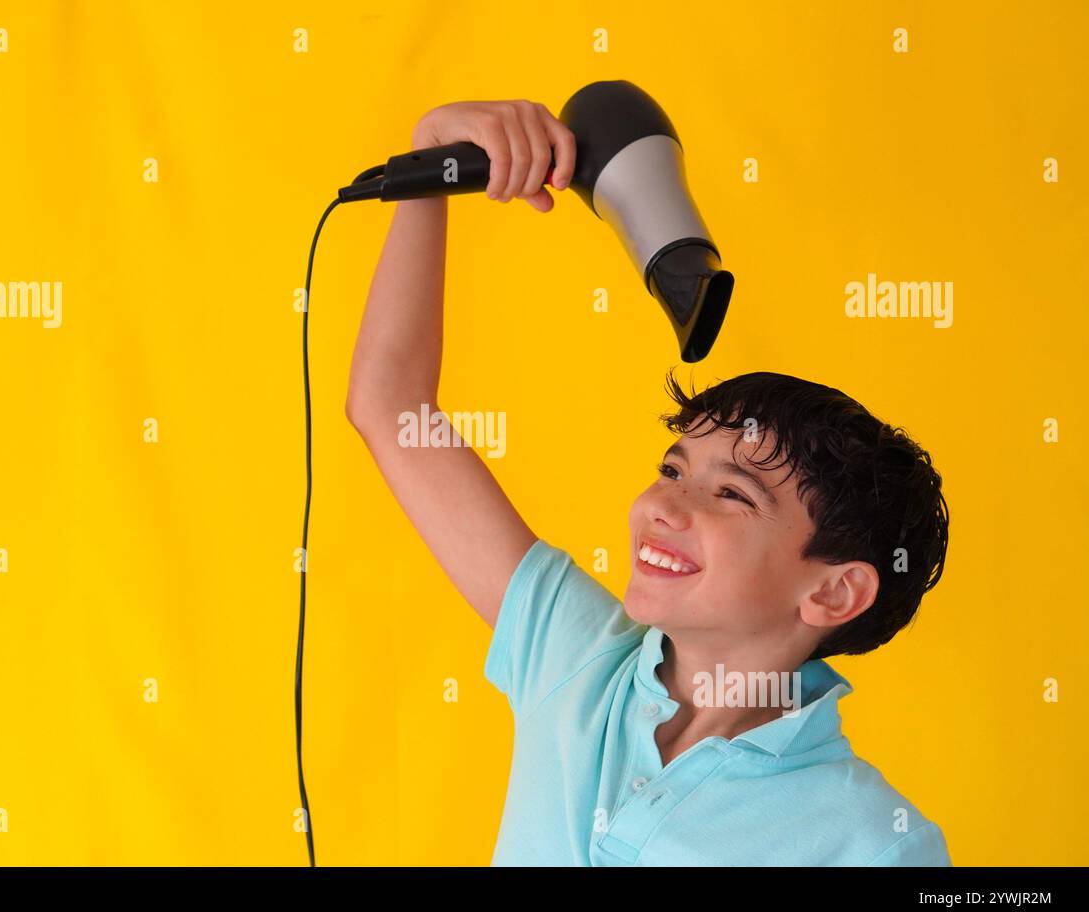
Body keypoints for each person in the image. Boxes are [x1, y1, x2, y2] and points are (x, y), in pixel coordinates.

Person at [345, 98, 952, 866]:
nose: (662, 504)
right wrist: (428, 164)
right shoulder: (574, 656)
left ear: (833, 592)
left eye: (731, 494)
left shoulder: (871, 843)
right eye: (672, 469)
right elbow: (392, 407)